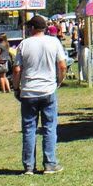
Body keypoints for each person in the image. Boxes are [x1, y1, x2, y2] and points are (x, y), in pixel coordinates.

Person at [12, 14, 67, 175]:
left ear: (33, 28)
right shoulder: (54, 42)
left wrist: (16, 87)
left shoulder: (24, 44)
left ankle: (29, 166)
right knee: (49, 127)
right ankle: (50, 163)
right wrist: (59, 81)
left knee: (29, 129)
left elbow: (16, 70)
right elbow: (62, 66)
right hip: (48, 89)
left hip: (29, 91)